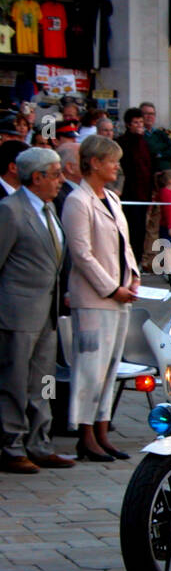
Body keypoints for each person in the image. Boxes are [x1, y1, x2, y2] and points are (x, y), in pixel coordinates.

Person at [61, 134, 141, 463]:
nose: (116, 166)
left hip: (119, 296)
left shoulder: (111, 197)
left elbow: (125, 244)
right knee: (89, 369)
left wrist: (133, 276)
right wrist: (111, 287)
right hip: (94, 298)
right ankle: (85, 433)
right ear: (94, 163)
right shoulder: (77, 201)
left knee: (110, 367)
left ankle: (103, 429)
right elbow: (81, 253)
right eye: (112, 161)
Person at [0, 148, 77, 473]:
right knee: (15, 382)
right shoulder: (10, 211)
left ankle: (40, 442)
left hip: (46, 312)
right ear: (37, 177)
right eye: (55, 174)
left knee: (43, 381)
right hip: (17, 314)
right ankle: (11, 445)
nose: (61, 180)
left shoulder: (49, 209)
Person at [117, 107, 153, 257]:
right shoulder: (121, 143)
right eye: (136, 123)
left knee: (140, 231)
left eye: (141, 122)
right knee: (128, 230)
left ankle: (137, 261)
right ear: (128, 124)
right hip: (127, 195)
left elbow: (149, 169)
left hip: (143, 195)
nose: (139, 125)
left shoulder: (145, 143)